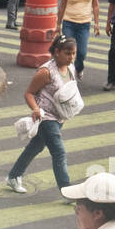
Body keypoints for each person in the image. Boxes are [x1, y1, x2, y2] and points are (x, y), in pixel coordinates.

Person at [7, 35, 79, 194]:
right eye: (68, 53)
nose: (71, 57)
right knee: (59, 152)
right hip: (45, 117)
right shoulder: (46, 72)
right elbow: (29, 94)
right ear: (57, 52)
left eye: (74, 53)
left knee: (36, 146)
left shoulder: (71, 68)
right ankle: (67, 191)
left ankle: (14, 175)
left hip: (59, 117)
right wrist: (35, 109)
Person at [57, 0, 99, 81]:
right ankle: (68, 74)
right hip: (68, 23)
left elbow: (95, 6)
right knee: (68, 50)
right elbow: (62, 6)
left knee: (81, 53)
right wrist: (58, 24)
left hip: (84, 24)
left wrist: (96, 24)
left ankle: (79, 69)